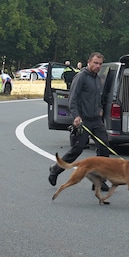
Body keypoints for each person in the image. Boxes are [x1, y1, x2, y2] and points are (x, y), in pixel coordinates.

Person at [49, 52, 112, 186]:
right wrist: (76, 116)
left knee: (104, 148)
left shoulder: (97, 79)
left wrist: (100, 109)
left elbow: (97, 97)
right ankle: (55, 170)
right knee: (77, 149)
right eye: (95, 63)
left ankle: (99, 180)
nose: (98, 66)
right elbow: (72, 98)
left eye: (100, 64)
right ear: (89, 62)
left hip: (96, 120)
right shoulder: (81, 77)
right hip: (83, 120)